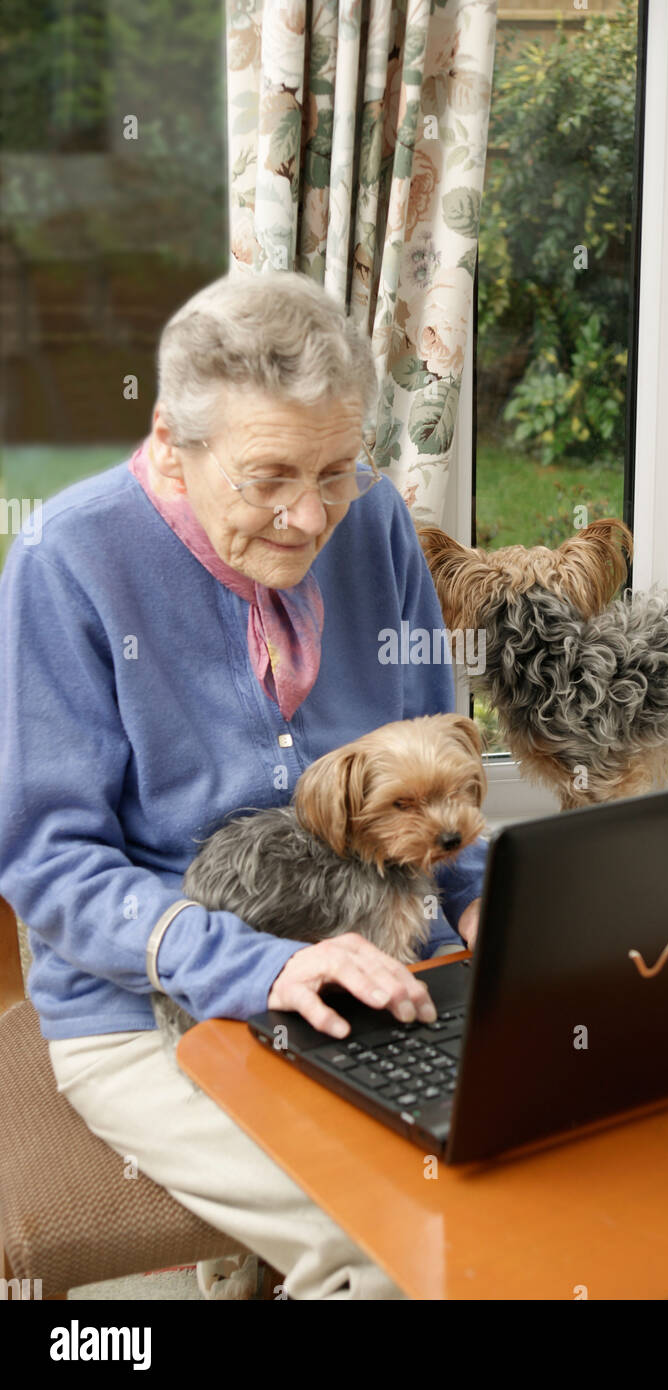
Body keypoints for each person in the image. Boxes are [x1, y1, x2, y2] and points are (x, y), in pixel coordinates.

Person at [0, 271, 487, 1299]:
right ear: (174, 441)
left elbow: (440, 774)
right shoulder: (69, 559)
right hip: (148, 1003)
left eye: (337, 470)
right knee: (396, 1242)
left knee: (550, 1166)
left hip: (390, 962)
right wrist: (256, 968)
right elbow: (48, 862)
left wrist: (487, 902)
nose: (310, 517)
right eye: (269, 476)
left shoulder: (377, 523)